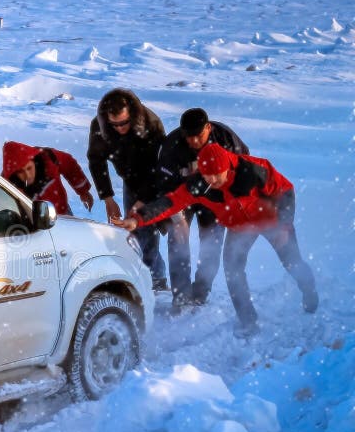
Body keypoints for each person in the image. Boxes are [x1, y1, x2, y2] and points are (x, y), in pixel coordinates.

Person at [112, 143, 318, 338]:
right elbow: (171, 202)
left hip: (272, 220)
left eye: (216, 175)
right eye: (207, 175)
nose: (212, 180)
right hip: (239, 227)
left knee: (292, 262)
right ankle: (248, 321)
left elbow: (285, 189)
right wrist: (138, 219)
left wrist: (284, 223)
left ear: (226, 167)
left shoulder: (253, 169)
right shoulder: (200, 185)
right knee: (233, 270)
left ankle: (309, 291)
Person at [157, 108, 249, 311]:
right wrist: (171, 215)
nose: (194, 142)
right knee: (177, 241)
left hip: (215, 198)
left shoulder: (226, 139)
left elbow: (243, 168)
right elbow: (164, 184)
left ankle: (200, 293)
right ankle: (180, 295)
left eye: (199, 136)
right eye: (189, 137)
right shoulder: (171, 147)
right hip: (183, 197)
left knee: (212, 245)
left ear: (208, 127)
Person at [87, 88, 167, 290]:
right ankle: (145, 276)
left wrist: (143, 199)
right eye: (115, 125)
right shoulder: (100, 125)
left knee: (146, 227)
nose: (120, 128)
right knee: (132, 230)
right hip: (129, 178)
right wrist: (107, 198)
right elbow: (96, 160)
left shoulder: (151, 124)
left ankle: (155, 280)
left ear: (132, 114)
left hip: (154, 178)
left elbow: (158, 166)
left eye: (124, 123)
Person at [2, 141, 94, 215]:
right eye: (20, 172)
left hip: (62, 212)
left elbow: (69, 164)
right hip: (35, 222)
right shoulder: (6, 184)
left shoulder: (49, 158)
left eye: (29, 168)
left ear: (34, 161)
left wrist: (83, 191)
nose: (28, 175)